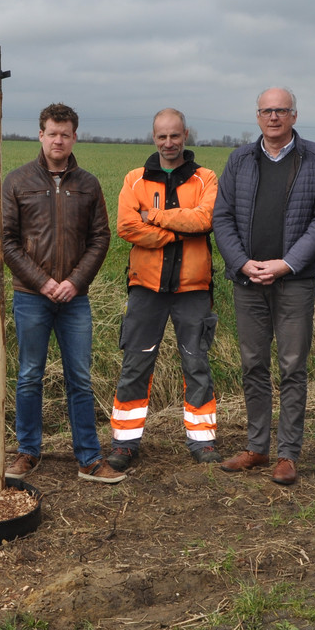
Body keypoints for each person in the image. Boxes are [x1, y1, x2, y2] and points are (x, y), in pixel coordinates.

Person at [212, 87, 315, 485]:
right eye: (267, 110)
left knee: (293, 367)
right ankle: (257, 447)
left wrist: (286, 264)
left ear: (294, 115)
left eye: (282, 110)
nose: (274, 117)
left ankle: (288, 454)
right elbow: (223, 217)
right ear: (258, 116)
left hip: (294, 282)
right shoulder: (240, 159)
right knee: (253, 365)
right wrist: (241, 262)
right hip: (247, 282)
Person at [2, 103, 121, 483]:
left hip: (75, 299)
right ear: (40, 134)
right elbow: (5, 241)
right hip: (31, 296)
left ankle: (89, 457)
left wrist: (73, 283)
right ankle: (26, 452)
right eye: (52, 133)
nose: (58, 140)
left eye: (65, 134)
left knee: (80, 379)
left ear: (74, 137)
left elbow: (101, 238)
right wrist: (44, 282)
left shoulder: (88, 184)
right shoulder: (17, 182)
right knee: (29, 376)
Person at [107, 108, 221, 470]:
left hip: (193, 289)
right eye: (162, 136)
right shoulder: (134, 180)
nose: (168, 143)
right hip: (146, 289)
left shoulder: (206, 178)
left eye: (175, 135)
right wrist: (179, 233)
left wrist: (153, 217)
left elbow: (205, 219)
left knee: (197, 364)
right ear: (153, 137)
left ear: (185, 134)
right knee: (135, 364)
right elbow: (126, 226)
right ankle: (124, 444)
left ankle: (202, 442)